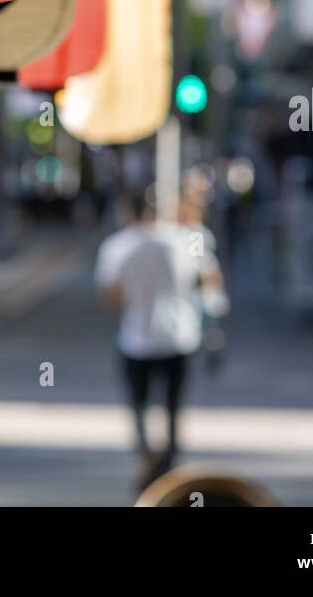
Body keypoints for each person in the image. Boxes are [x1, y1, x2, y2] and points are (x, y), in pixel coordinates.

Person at [94, 188, 228, 487]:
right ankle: (168, 462)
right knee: (172, 405)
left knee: (139, 404)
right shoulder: (184, 239)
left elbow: (110, 294)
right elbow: (211, 278)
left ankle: (147, 456)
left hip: (136, 337)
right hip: (179, 335)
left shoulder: (117, 246)